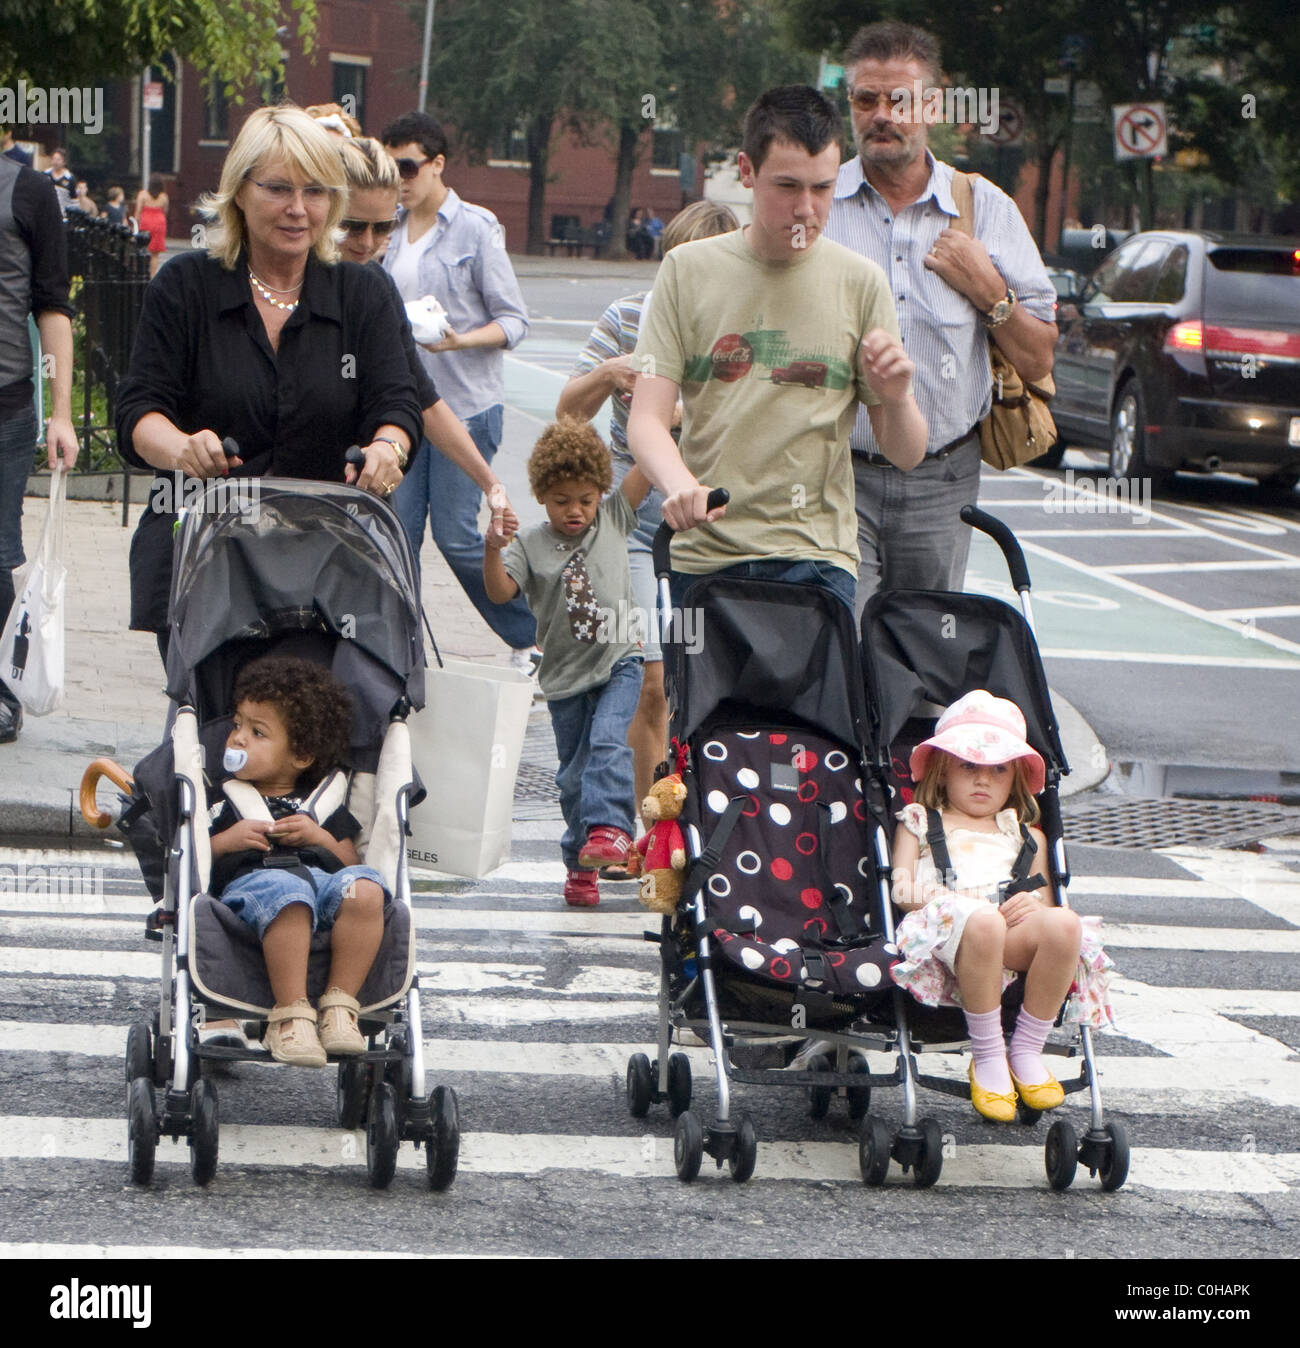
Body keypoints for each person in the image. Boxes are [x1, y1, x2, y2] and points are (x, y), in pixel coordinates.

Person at [115, 104, 423, 663]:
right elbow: (139, 411)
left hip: (332, 566)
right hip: (209, 562)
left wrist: (387, 448)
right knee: (221, 732)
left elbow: (398, 403)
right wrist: (183, 448)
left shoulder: (364, 294)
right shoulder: (186, 287)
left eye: (317, 191)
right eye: (279, 188)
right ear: (239, 191)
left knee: (319, 734)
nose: (299, 210)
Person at [627, 84, 926, 617]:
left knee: (814, 704)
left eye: (822, 188)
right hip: (706, 554)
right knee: (703, 705)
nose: (806, 209)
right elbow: (646, 420)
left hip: (816, 558)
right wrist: (681, 487)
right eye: (786, 186)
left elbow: (906, 453)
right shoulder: (688, 270)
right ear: (746, 172)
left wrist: (898, 397)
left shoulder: (861, 283)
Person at [825, 20, 1057, 615]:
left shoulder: (984, 209)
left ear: (932, 106)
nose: (881, 114)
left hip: (943, 478)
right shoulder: (820, 205)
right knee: (843, 644)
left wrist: (991, 293)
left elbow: (1039, 357)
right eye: (865, 100)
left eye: (898, 100)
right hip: (835, 473)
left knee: (923, 652)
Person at [557, 199, 738, 829]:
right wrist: (612, 373)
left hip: (716, 519)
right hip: (631, 519)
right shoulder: (630, 316)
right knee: (650, 678)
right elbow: (567, 412)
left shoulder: (747, 333)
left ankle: (709, 822)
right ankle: (651, 836)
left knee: (712, 681)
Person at [890, 690, 1113, 1122]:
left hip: (1007, 929)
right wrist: (963, 901)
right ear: (942, 768)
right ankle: (989, 1053)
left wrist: (1031, 906)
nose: (982, 780)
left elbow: (1045, 899)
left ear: (1014, 778)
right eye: (968, 765)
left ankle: (1027, 1049)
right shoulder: (920, 820)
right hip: (945, 928)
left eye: (998, 770)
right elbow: (902, 887)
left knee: (1064, 924)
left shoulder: (1025, 834)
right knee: (985, 921)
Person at [379, 110, 538, 673]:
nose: (398, 177)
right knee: (396, 537)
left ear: (437, 164)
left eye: (407, 165)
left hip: (465, 408)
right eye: (389, 164)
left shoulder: (475, 227)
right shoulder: (386, 229)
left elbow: (514, 321)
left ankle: (532, 637)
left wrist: (458, 341)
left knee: (455, 536)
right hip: (404, 409)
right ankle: (402, 653)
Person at [484, 419, 649, 908]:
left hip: (621, 659)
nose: (575, 511)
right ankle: (580, 863)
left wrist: (661, 419)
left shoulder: (616, 517)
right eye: (561, 501)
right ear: (540, 495)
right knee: (573, 777)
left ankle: (612, 832)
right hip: (562, 678)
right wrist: (492, 546)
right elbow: (499, 592)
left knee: (607, 743)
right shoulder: (530, 544)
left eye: (585, 499)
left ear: (601, 492)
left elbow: (646, 464)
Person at [336, 136, 520, 553]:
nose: (367, 243)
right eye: (352, 226)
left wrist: (492, 485)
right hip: (273, 503)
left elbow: (423, 399)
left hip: (351, 501)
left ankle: (527, 618)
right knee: (410, 536)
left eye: (382, 228)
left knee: (429, 541)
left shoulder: (372, 284)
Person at [210, 656, 389, 1067]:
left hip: (321, 882)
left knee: (366, 887)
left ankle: (339, 1007)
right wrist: (227, 840)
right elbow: (198, 857)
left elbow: (347, 860)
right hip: (255, 886)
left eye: (257, 733)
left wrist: (320, 837)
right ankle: (290, 1015)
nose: (237, 739)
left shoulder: (324, 803)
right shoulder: (223, 798)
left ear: (302, 755)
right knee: (289, 894)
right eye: (237, 725)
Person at [0, 153, 78, 744]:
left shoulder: (27, 191)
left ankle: (2, 688)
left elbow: (53, 307)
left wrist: (60, 413)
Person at [133, 174, 169, 276]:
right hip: (159, 222)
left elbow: (138, 211)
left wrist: (135, 225)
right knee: (155, 254)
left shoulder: (142, 195)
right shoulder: (164, 197)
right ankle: (152, 276)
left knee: (142, 248)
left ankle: (140, 273)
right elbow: (165, 211)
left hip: (146, 221)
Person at [42, 148, 74, 213]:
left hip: (63, 214)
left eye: (58, 159)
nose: (55, 162)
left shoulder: (70, 178)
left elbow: (74, 198)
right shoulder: (44, 175)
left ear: (64, 162)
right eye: (54, 159)